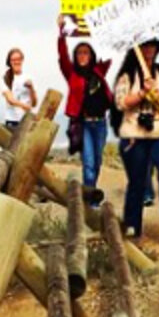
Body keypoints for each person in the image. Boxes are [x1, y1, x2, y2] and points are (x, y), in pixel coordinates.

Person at [113, 39, 159, 246]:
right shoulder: (127, 75)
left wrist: (158, 94)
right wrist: (142, 94)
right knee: (137, 181)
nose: (149, 50)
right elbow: (121, 102)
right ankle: (132, 227)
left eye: (152, 45)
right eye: (144, 45)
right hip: (135, 134)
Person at [57, 25, 112, 194]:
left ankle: (90, 191)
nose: (82, 55)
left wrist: (105, 29)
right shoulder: (71, 73)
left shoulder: (99, 71)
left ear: (91, 55)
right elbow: (63, 56)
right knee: (88, 162)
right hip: (84, 124)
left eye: (86, 52)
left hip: (101, 123)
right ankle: (90, 197)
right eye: (79, 53)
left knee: (97, 162)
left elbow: (108, 53)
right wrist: (61, 32)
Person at [0, 47, 36, 130]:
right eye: (13, 60)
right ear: (9, 62)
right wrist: (25, 106)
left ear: (22, 60)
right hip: (12, 121)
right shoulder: (5, 78)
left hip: (27, 120)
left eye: (19, 59)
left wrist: (31, 88)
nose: (16, 62)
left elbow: (34, 103)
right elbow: (10, 100)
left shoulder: (28, 78)